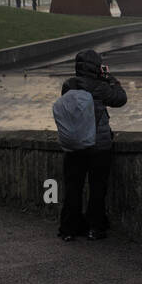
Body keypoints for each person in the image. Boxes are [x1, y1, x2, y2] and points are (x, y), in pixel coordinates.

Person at [58, 49, 126, 242]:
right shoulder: (101, 86)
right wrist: (110, 78)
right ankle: (95, 228)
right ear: (97, 66)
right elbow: (121, 99)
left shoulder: (69, 85)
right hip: (99, 145)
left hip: (74, 144)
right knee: (97, 188)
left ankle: (69, 229)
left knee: (73, 188)